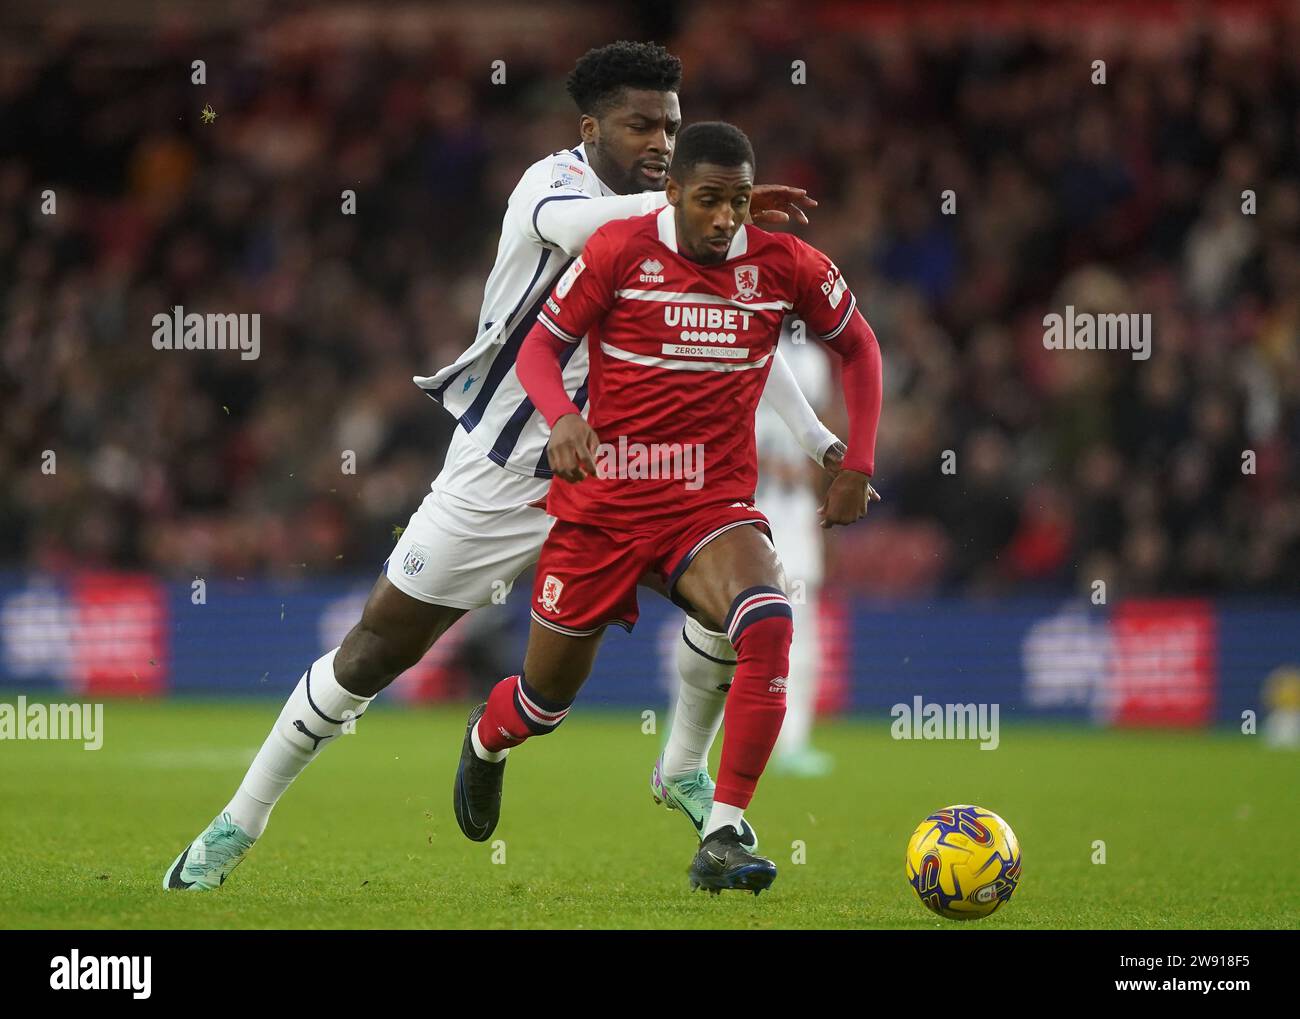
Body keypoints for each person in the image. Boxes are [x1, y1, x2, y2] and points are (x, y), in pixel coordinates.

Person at [164, 42, 836, 891]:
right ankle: (238, 822)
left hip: (633, 477)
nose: (661, 140)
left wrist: (817, 438)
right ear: (590, 128)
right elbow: (588, 229)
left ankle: (683, 769)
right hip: (504, 470)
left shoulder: (693, 227)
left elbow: (746, 340)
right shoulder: (552, 188)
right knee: (373, 652)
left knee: (742, 600)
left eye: (670, 124)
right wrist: (704, 206)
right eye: (640, 125)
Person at [453, 121, 882, 895]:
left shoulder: (783, 264)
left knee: (768, 617)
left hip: (707, 504)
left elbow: (861, 346)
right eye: (710, 200)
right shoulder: (620, 250)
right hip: (604, 506)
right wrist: (563, 418)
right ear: (673, 193)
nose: (726, 219)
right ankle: (488, 738)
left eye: (740, 202)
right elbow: (538, 350)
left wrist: (854, 460)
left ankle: (721, 828)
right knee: (543, 703)